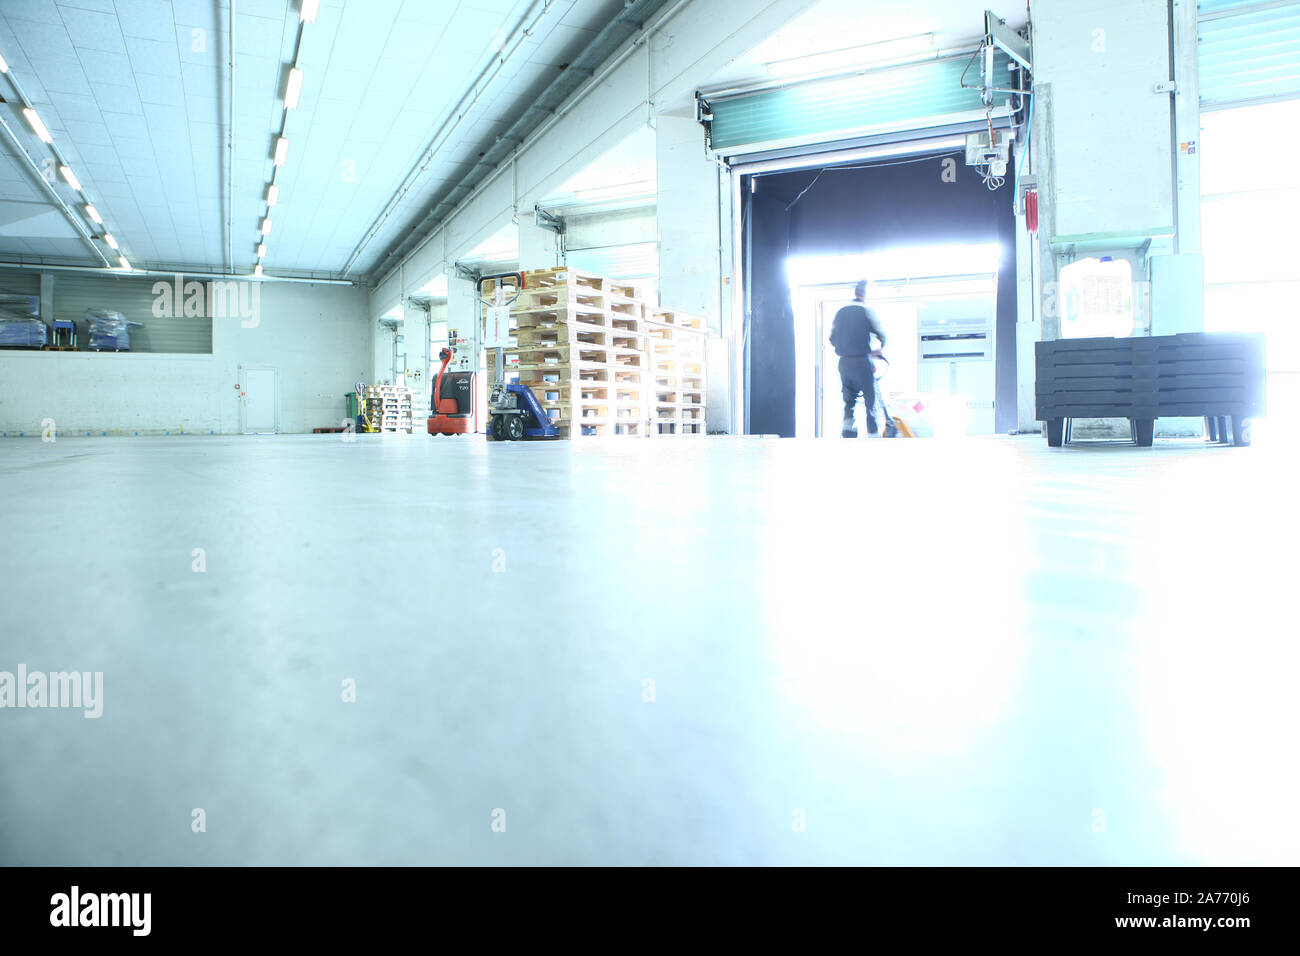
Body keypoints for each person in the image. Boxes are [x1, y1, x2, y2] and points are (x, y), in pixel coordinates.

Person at [829, 279, 888, 438]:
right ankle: (873, 435)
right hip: (862, 362)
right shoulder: (866, 310)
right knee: (870, 402)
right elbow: (882, 335)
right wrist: (878, 350)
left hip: (844, 363)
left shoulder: (840, 312)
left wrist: (845, 348)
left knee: (849, 403)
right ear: (864, 294)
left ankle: (848, 434)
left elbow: (832, 338)